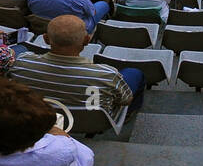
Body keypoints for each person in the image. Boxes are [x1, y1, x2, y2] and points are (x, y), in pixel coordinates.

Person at [8, 14, 149, 114]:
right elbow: (125, 99)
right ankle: (128, 116)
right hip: (93, 122)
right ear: (87, 40)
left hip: (37, 113)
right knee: (134, 73)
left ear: (45, 39)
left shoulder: (21, 63)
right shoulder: (107, 74)